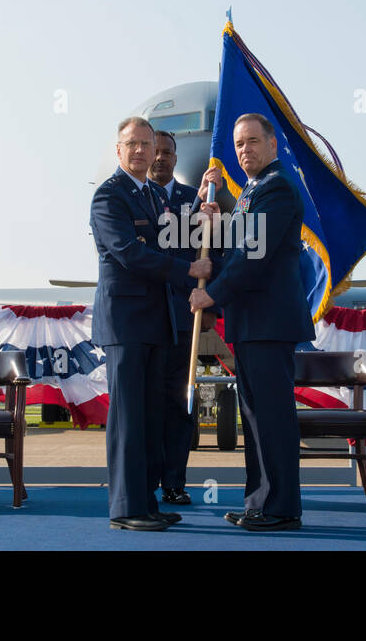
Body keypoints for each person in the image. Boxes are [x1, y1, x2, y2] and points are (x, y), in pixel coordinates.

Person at [190, 113, 315, 532]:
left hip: (268, 322)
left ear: (273, 145)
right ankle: (260, 502)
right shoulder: (252, 191)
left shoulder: (277, 187)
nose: (245, 151)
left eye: (253, 142)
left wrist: (213, 293)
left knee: (273, 417)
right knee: (257, 417)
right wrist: (218, 220)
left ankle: (281, 507)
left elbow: (253, 257)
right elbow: (239, 243)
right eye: (239, 144)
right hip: (252, 323)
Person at [89, 116, 212, 531]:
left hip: (156, 324)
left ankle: (145, 501)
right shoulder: (110, 197)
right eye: (133, 144)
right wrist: (186, 270)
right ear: (118, 150)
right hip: (126, 325)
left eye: (148, 145)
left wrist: (204, 211)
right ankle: (125, 507)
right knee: (127, 418)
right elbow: (129, 252)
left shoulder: (153, 199)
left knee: (148, 418)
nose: (142, 152)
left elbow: (171, 240)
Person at [148, 130, 209, 505]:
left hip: (183, 320)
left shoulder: (195, 203)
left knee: (180, 403)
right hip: (144, 318)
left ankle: (174, 482)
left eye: (166, 153)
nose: (159, 159)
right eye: (154, 152)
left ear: (175, 158)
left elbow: (211, 254)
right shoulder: (131, 199)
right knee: (145, 404)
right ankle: (142, 481)